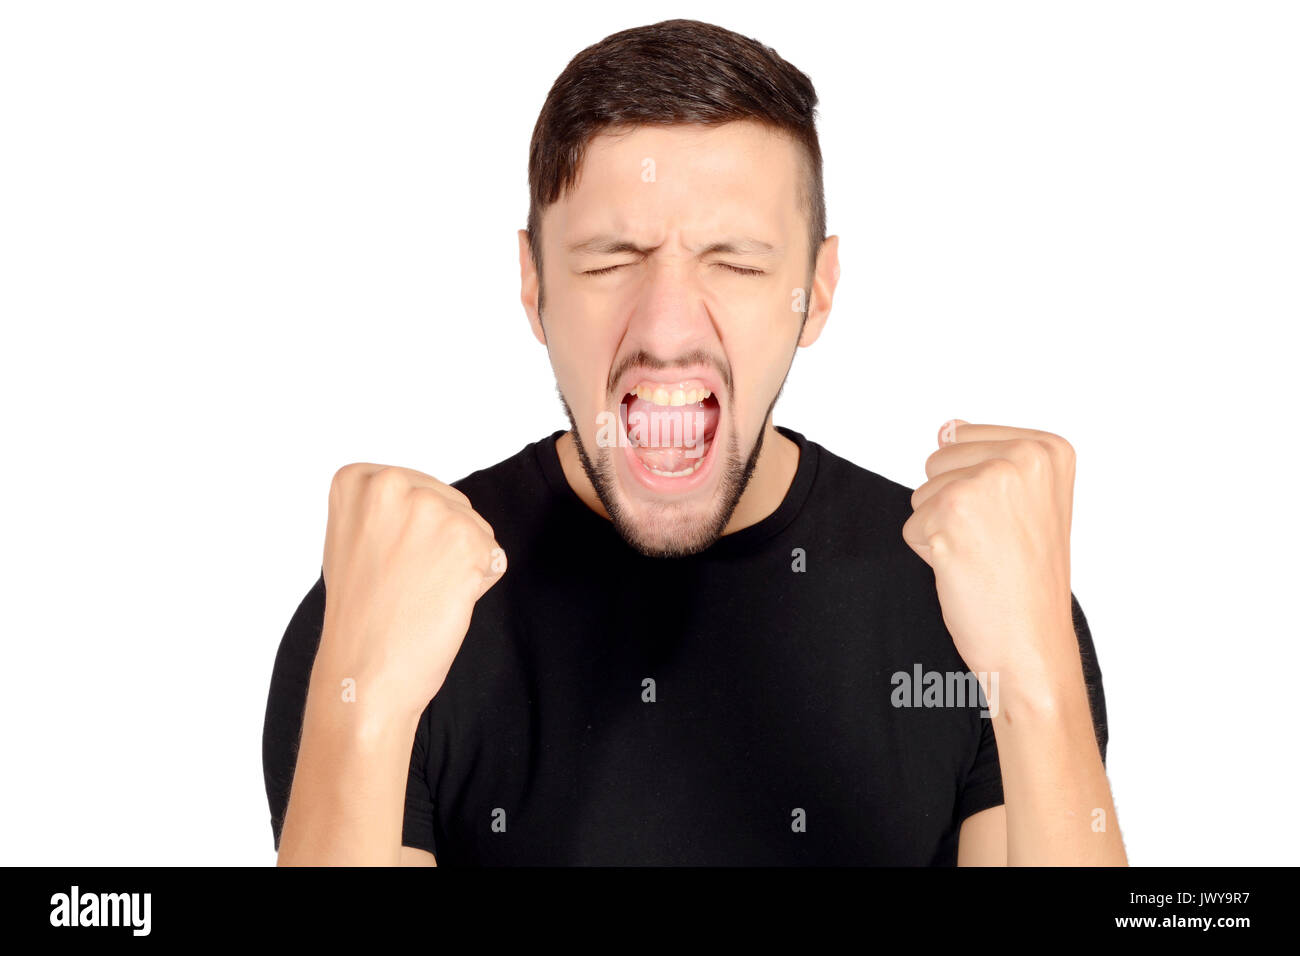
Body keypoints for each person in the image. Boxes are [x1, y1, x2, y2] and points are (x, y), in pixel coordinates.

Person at [263, 18, 1124, 866]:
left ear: (816, 292)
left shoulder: (975, 596)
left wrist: (1039, 682)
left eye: (738, 262)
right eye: (608, 260)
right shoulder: (386, 605)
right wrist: (361, 712)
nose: (668, 329)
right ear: (533, 285)